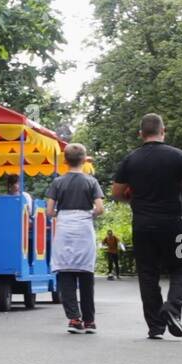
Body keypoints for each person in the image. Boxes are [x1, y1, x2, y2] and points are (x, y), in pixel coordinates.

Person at [111, 113, 182, 339]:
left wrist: (135, 200)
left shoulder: (130, 160)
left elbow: (117, 193)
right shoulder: (178, 157)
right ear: (163, 131)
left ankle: (155, 326)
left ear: (141, 134)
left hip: (142, 228)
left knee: (147, 273)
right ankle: (172, 309)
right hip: (174, 226)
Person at [48, 143, 105, 334]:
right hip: (84, 229)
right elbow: (100, 209)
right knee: (86, 275)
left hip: (64, 228)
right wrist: (88, 214)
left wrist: (61, 215)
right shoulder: (91, 182)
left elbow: (49, 211)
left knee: (66, 273)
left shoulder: (58, 182)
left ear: (65, 161)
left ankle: (74, 319)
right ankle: (89, 321)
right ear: (84, 159)